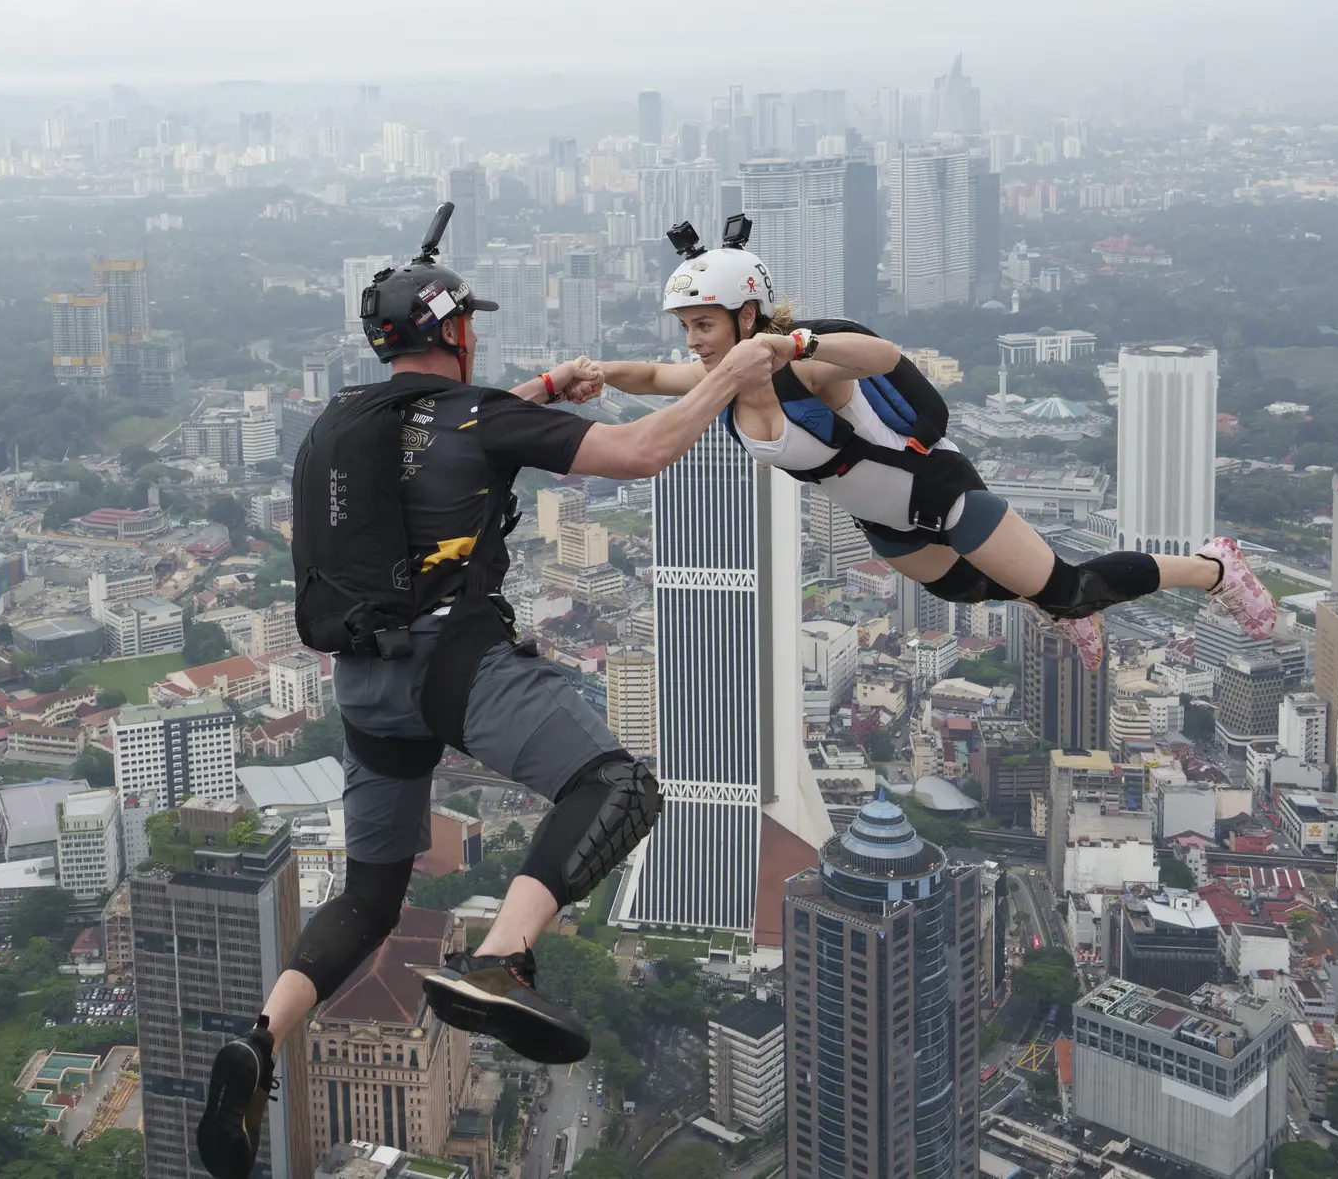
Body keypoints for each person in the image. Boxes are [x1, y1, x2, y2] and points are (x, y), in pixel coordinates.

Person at [196, 215, 787, 1179]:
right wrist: (733, 372)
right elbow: (638, 451)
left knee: (371, 896)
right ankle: (501, 960)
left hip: (365, 684)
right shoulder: (480, 417)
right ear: (457, 331)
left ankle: (259, 1039)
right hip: (455, 666)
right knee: (615, 787)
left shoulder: (339, 425)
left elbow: (438, 437)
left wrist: (545, 389)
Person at [585, 219, 1277, 671]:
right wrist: (585, 374)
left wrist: (797, 343)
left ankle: (1213, 569)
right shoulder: (722, 382)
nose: (693, 342)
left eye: (703, 325)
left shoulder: (807, 369)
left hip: (940, 494)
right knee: (966, 588)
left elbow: (883, 355)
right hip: (883, 521)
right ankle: (1044, 598)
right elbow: (649, 376)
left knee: (1073, 589)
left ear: (745, 316)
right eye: (687, 328)